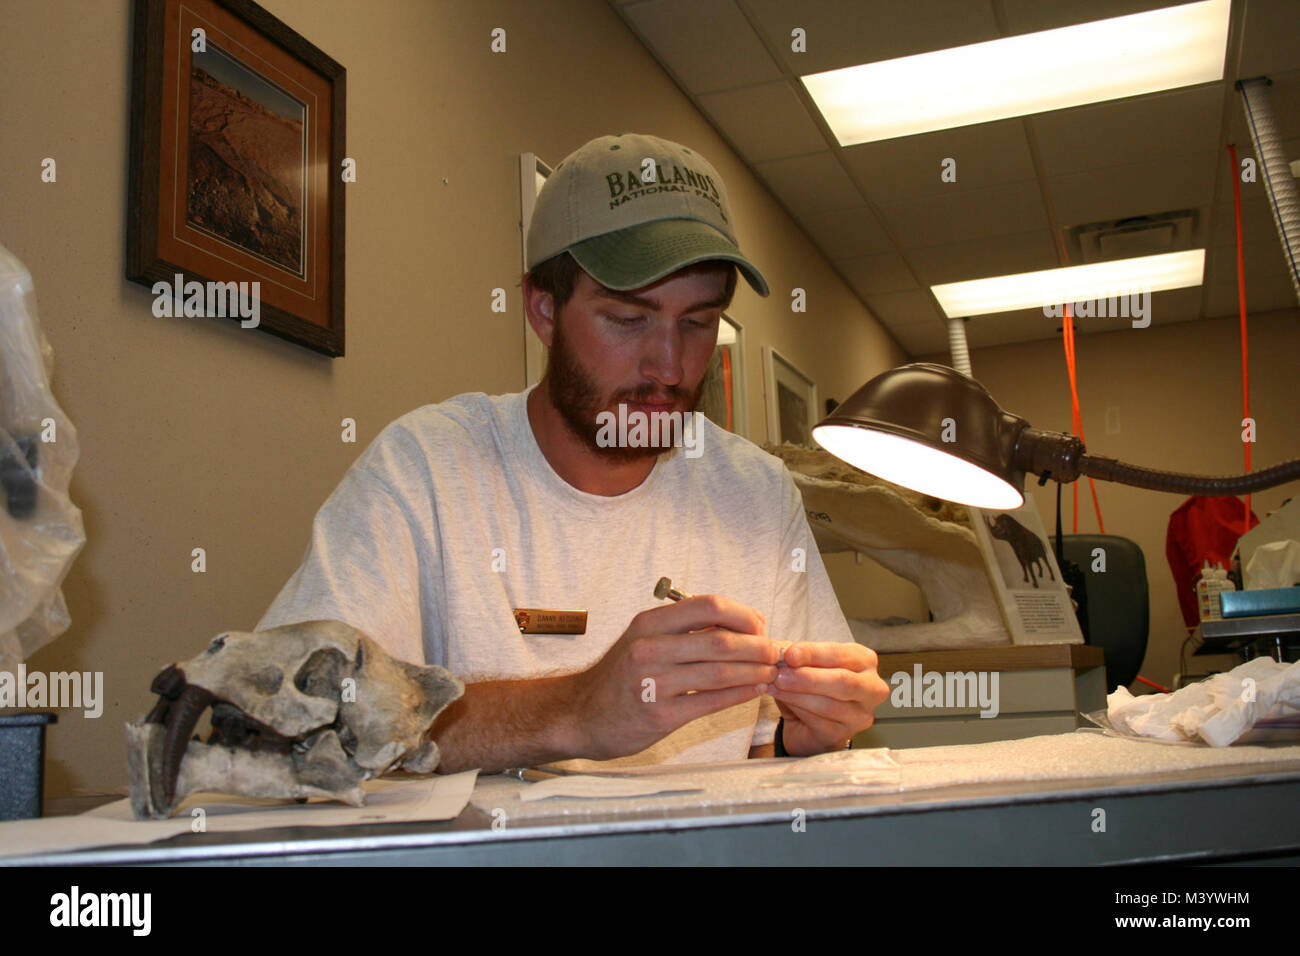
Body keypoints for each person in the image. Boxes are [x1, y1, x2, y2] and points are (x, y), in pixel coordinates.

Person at [257, 132, 889, 773]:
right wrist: (576, 708)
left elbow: (763, 751)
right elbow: (294, 720)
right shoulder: (425, 468)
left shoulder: (755, 491)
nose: (669, 367)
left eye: (698, 323)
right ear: (543, 310)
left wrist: (803, 738)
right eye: (628, 319)